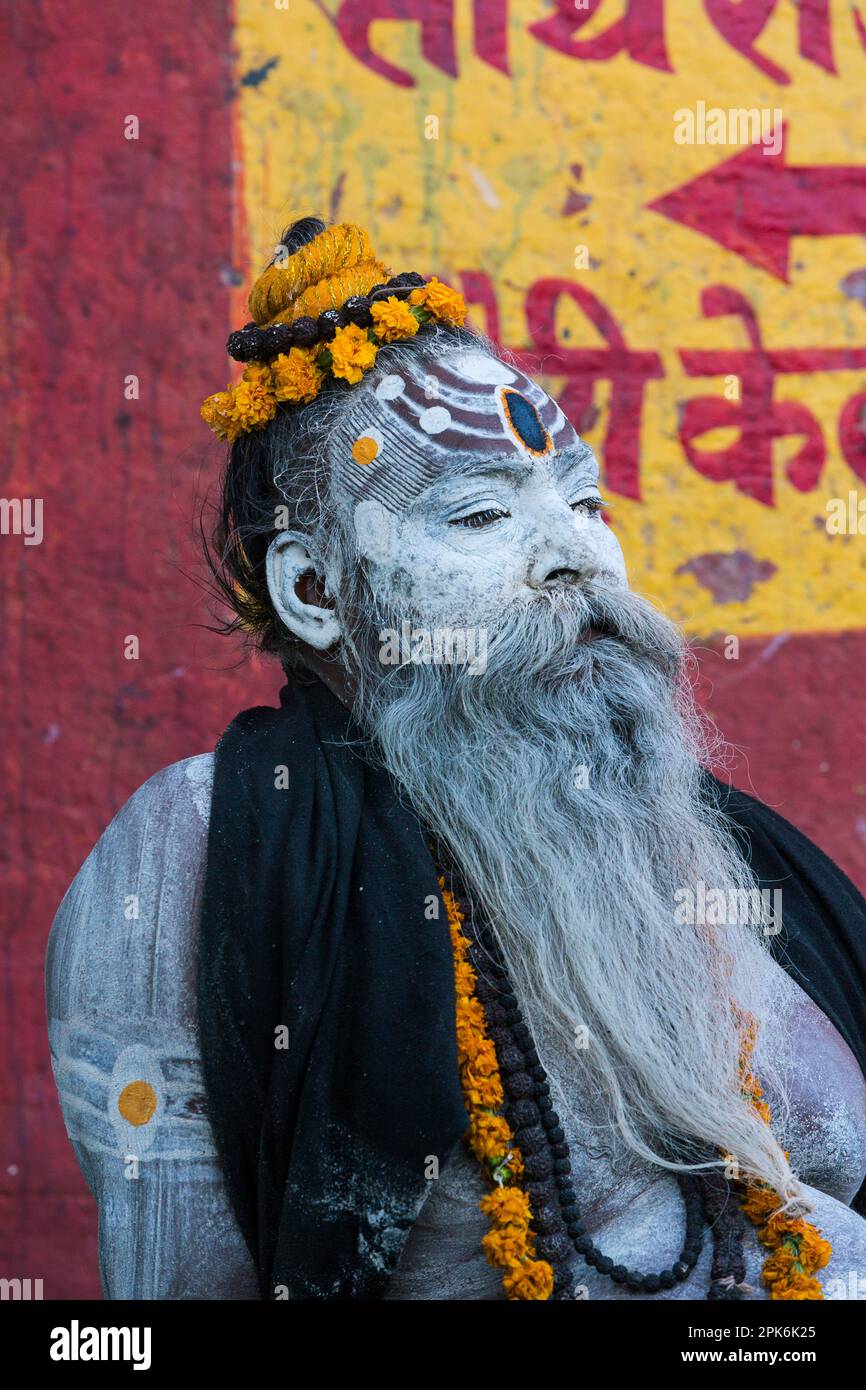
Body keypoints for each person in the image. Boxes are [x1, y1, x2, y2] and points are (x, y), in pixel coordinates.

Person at [47, 216, 866, 1301]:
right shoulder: (201, 849)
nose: (574, 552)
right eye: (480, 512)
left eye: (583, 501)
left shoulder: (710, 841)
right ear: (315, 589)